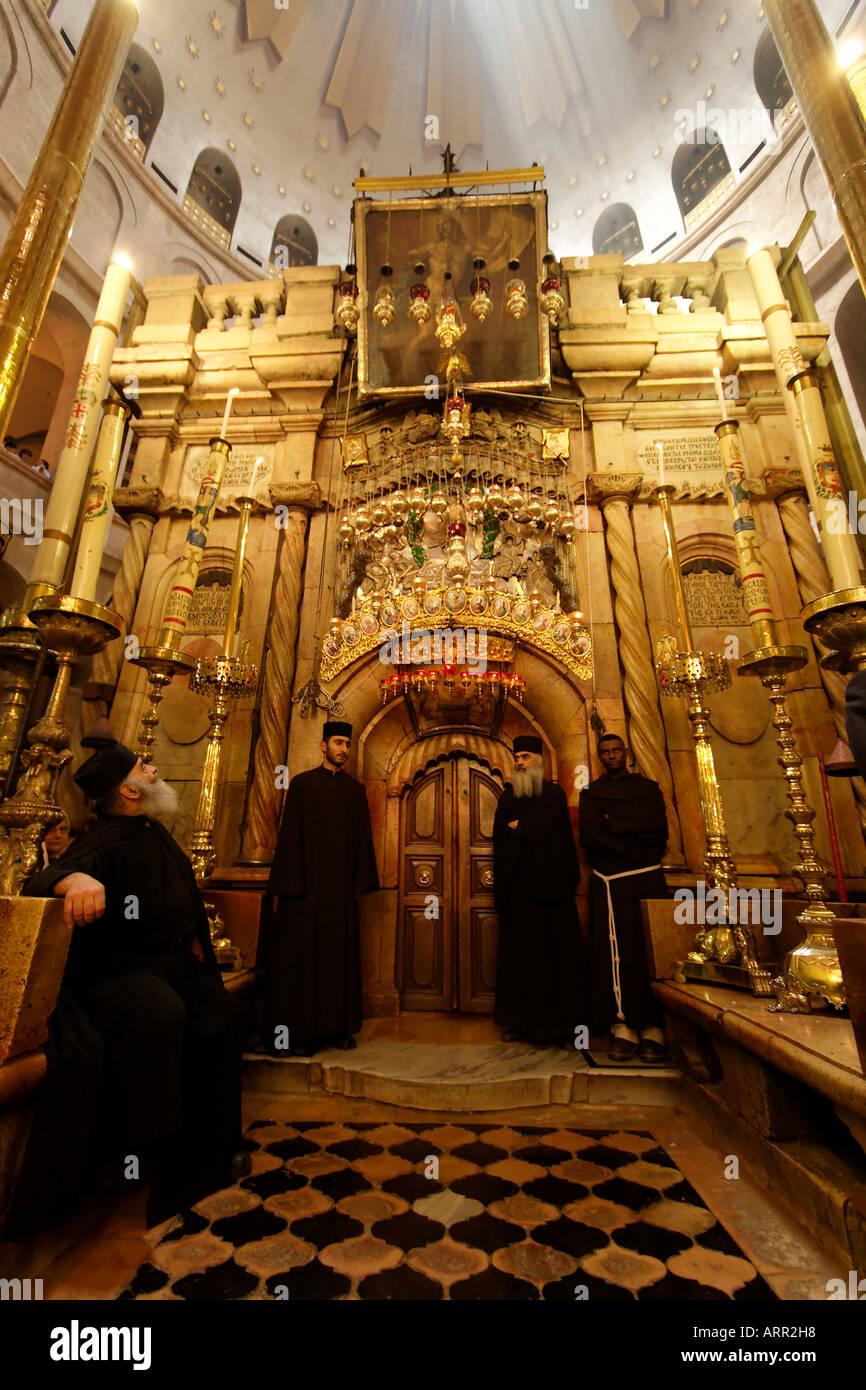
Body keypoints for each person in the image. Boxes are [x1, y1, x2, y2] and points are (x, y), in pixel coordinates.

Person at [18, 722, 248, 1229]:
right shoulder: (106, 839)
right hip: (122, 970)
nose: (155, 769)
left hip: (169, 961)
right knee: (161, 1016)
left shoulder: (148, 829)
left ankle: (212, 1145)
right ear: (128, 788)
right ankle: (147, 1158)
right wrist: (72, 878)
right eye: (145, 767)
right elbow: (39, 880)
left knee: (223, 1012)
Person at [263, 720, 379, 1058]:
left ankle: (336, 1028)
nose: (343, 749)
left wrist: (359, 884)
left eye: (347, 744)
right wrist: (289, 886)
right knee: (299, 962)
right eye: (338, 742)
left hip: (339, 895)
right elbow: (289, 837)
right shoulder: (301, 785)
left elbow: (362, 842)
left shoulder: (355, 791)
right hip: (303, 893)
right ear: (323, 745)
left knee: (336, 962)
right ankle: (299, 1034)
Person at [492, 734, 587, 1047]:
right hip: (518, 893)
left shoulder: (554, 795)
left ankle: (557, 1027)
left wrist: (524, 828)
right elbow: (501, 838)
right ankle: (520, 1024)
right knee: (521, 963)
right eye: (517, 757)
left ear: (539, 761)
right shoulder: (507, 798)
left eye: (526, 757)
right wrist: (530, 830)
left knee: (554, 960)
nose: (520, 762)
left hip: (551, 893)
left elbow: (555, 836)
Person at [579, 733, 669, 1063]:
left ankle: (653, 1028)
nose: (611, 756)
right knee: (614, 952)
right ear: (599, 756)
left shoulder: (648, 789)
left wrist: (612, 823)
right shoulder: (591, 793)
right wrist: (630, 829)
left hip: (646, 880)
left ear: (626, 752)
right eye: (605, 752)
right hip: (610, 882)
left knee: (646, 951)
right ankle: (622, 1027)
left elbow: (657, 829)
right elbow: (591, 834)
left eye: (616, 750)